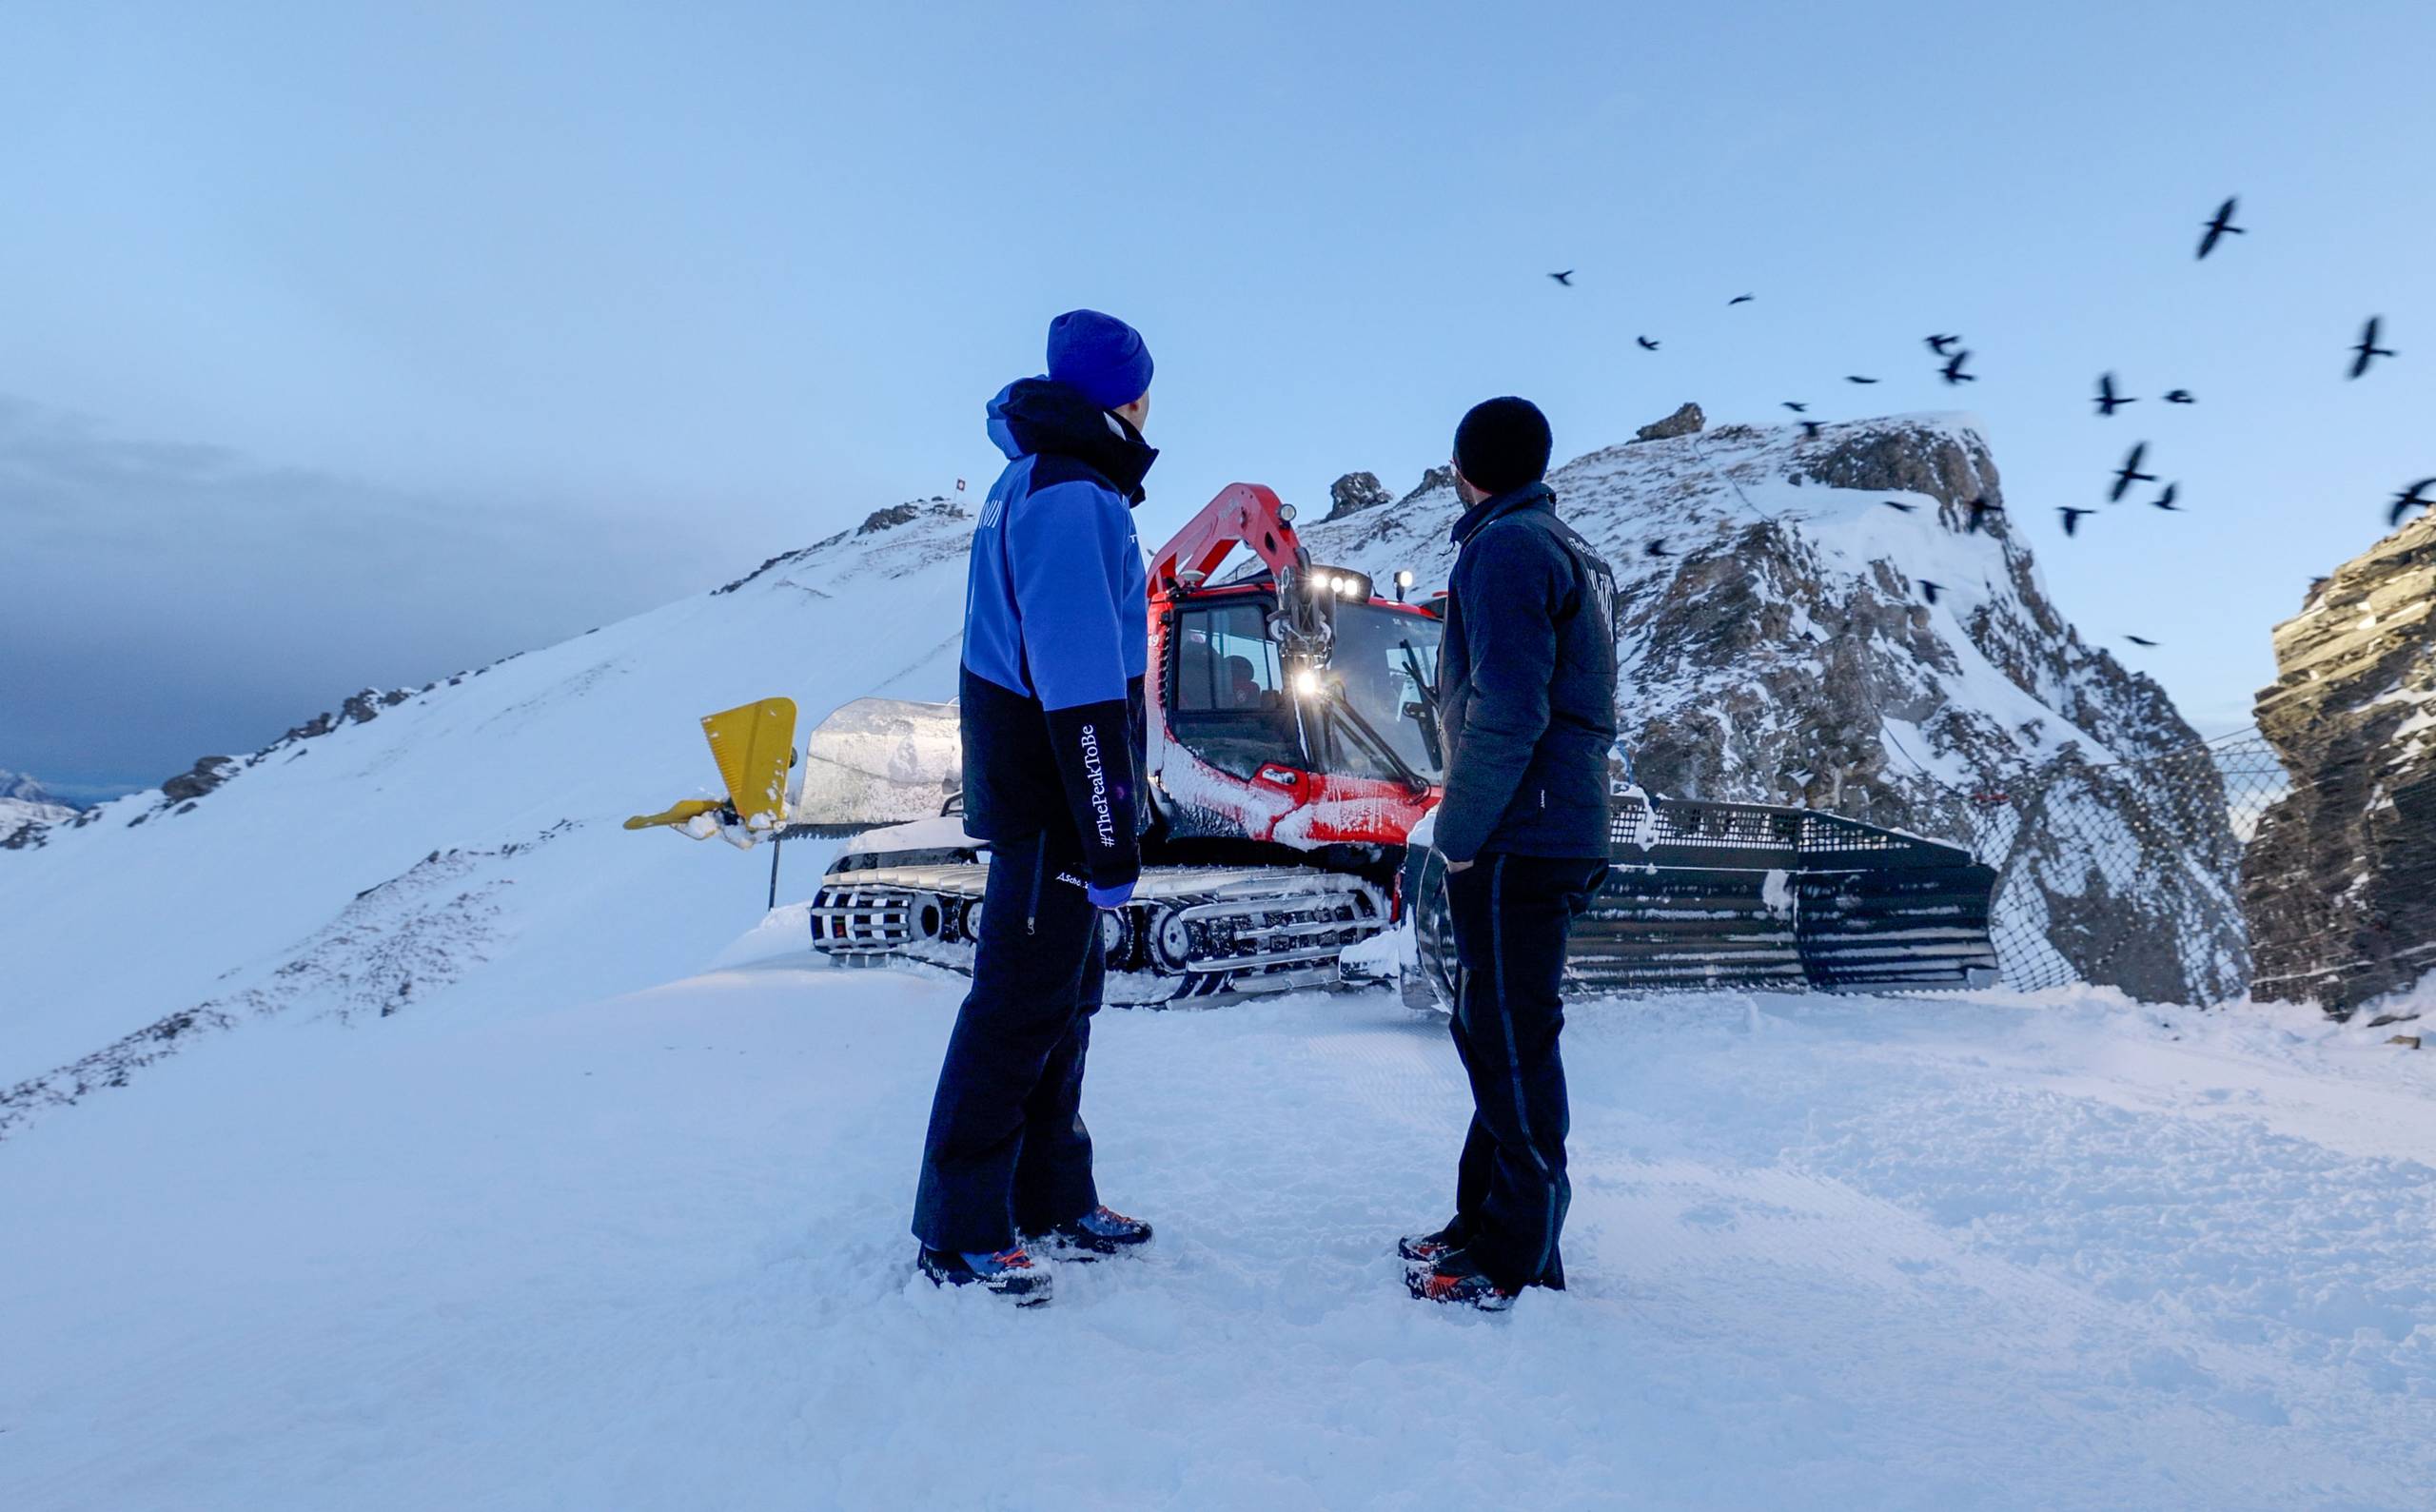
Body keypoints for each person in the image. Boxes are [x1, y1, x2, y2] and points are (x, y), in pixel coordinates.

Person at [911, 310, 1160, 1304]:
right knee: (1015, 1008)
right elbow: (1076, 682)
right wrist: (1108, 831)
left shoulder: (1052, 480)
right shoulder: (1067, 496)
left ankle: (1052, 1193)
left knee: (1066, 1000)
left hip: (1057, 793)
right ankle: (962, 1224)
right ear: (1123, 398)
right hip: (1054, 797)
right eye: (1144, 391)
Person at [1401, 396, 1619, 1311]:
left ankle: (1517, 1251)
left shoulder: (1504, 550)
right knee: (1494, 1028)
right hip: (1554, 823)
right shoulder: (1565, 548)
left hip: (1517, 833)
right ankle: (1483, 1216)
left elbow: (1509, 708)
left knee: (1510, 1038)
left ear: (1464, 468)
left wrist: (1456, 835)